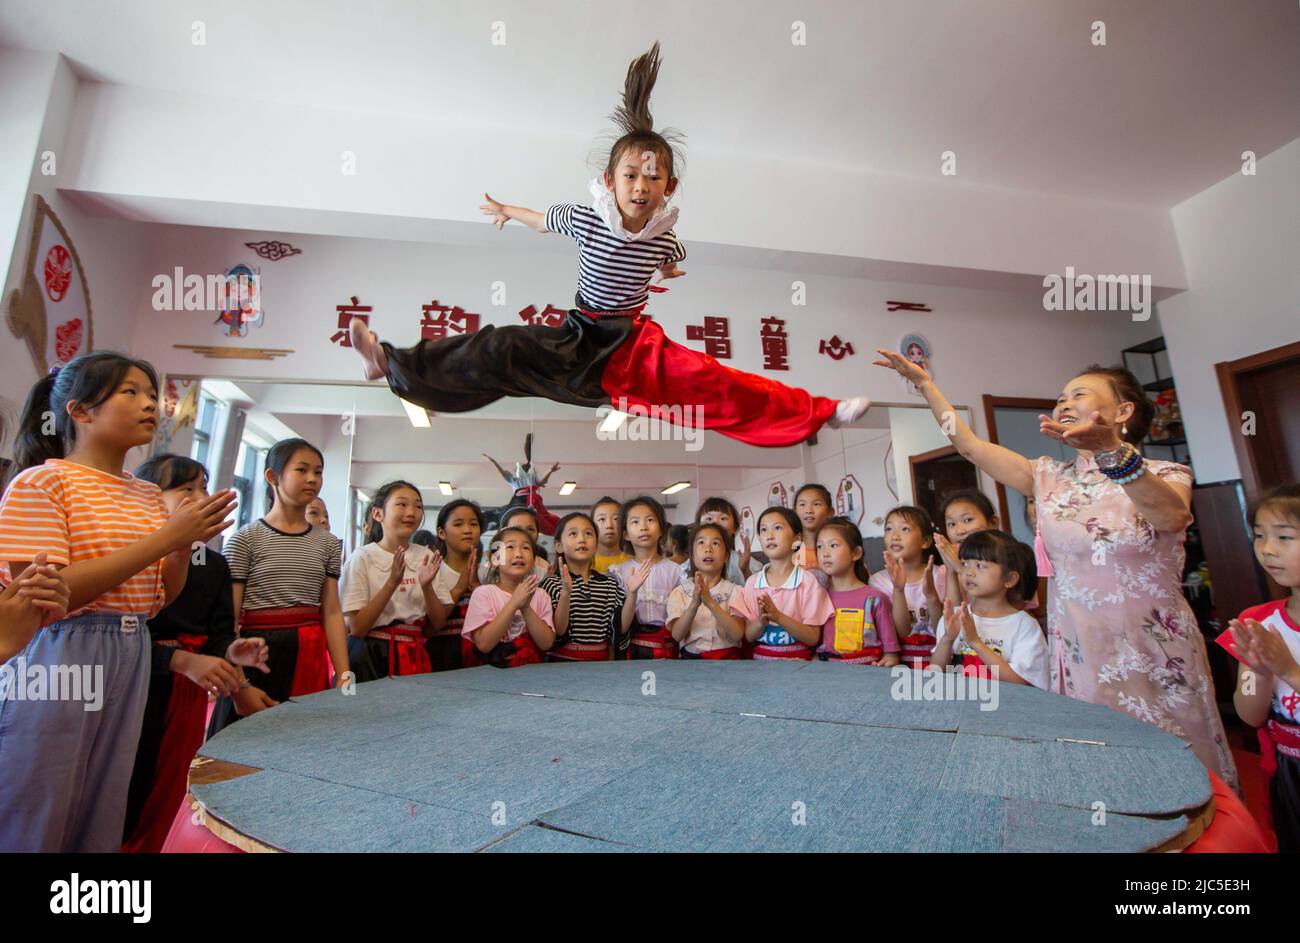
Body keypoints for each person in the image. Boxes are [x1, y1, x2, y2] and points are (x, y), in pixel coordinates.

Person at [348, 42, 869, 449]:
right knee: (499, 347)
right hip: (580, 338)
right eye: (631, 175)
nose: (641, 185)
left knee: (717, 381)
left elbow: (669, 255)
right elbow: (541, 220)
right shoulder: (587, 219)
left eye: (653, 176)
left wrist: (666, 271)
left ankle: (820, 411)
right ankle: (391, 363)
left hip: (636, 347)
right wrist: (509, 211)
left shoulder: (666, 232)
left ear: (669, 187)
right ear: (610, 180)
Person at [874, 348, 1237, 788]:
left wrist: (1112, 453)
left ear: (1123, 410)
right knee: (1101, 764)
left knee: (1179, 765)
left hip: (1153, 643)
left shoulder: (1166, 471)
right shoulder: (1047, 475)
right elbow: (967, 444)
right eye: (1060, 397)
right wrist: (925, 385)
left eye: (1078, 394)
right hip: (1081, 643)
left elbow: (1171, 517)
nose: (1063, 403)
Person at [0, 353, 235, 851]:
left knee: (102, 800)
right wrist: (165, 538)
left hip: (130, 646)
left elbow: (154, 601)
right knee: (38, 795)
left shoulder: (148, 495)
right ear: (80, 411)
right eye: (130, 392)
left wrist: (179, 545)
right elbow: (46, 596)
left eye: (152, 394)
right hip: (59, 649)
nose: (150, 403)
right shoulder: (42, 483)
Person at [122, 454, 267, 853]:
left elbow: (217, 636)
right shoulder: (131, 556)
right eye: (186, 489)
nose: (201, 497)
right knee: (129, 783)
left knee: (168, 787)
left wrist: (235, 652)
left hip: (185, 695)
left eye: (204, 486)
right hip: (134, 686)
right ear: (151, 498)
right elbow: (122, 637)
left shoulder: (214, 565)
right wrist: (178, 660)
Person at [208, 438, 350, 734]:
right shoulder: (245, 539)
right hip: (258, 654)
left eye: (319, 472)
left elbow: (332, 612)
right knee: (249, 739)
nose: (312, 479)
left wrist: (343, 671)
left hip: (309, 651)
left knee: (304, 738)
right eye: (302, 470)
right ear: (272, 477)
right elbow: (229, 620)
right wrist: (239, 684)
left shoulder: (327, 544)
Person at [1222, 484, 1300, 850]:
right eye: (1259, 536)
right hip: (1289, 772)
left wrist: (1288, 668)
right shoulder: (1260, 620)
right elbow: (1250, 714)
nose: (1267, 549)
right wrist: (1259, 672)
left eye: (1285, 537)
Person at [340, 480, 446, 680]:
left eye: (418, 506)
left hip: (414, 652)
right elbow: (357, 628)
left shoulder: (426, 556)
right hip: (371, 655)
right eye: (402, 504)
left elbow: (437, 624)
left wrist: (426, 587)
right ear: (378, 514)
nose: (411, 512)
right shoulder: (363, 557)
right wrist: (391, 583)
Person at [928, 530, 1049, 688]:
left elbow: (1022, 682)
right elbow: (934, 672)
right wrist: (947, 639)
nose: (969, 572)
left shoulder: (1024, 625)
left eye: (980, 566)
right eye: (964, 564)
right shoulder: (955, 617)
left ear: (1010, 579)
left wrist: (976, 642)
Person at [731, 507, 834, 661]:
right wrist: (760, 622)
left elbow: (813, 637)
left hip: (798, 665)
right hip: (761, 666)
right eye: (764, 530)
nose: (769, 536)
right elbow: (749, 636)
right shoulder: (752, 582)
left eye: (777, 528)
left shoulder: (807, 581)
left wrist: (779, 617)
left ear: (796, 538)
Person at [462, 527, 555, 667]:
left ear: (534, 560)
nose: (519, 554)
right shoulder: (483, 593)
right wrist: (514, 603)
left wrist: (525, 607)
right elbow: (483, 644)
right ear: (494, 559)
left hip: (533, 674)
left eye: (525, 548)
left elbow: (546, 643)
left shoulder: (541, 595)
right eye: (510, 547)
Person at [541, 512, 626, 661]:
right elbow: (559, 631)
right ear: (559, 546)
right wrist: (566, 593)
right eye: (573, 534)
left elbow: (615, 633)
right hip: (560, 664)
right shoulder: (550, 584)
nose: (582, 539)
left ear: (596, 545)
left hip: (600, 664)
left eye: (588, 534)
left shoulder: (610, 584)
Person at [868, 505, 945, 668]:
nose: (894, 536)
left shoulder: (940, 575)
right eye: (888, 529)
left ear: (925, 541)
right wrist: (898, 590)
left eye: (904, 529)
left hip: (940, 662)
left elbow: (943, 630)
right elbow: (901, 632)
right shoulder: (878, 581)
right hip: (900, 664)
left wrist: (931, 596)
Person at [815, 517, 899, 666]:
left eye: (833, 545)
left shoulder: (875, 598)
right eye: (820, 547)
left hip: (867, 671)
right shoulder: (819, 597)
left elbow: (891, 653)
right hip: (828, 672)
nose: (825, 553)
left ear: (856, 553)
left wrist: (890, 658)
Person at [609, 496, 682, 658]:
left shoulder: (676, 572)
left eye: (650, 520)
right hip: (633, 651)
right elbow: (621, 627)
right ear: (626, 534)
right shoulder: (619, 572)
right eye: (635, 522)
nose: (643, 527)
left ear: (661, 529)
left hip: (668, 649)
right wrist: (632, 593)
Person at [667, 522, 745, 658]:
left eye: (715, 543)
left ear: (726, 555)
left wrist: (710, 603)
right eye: (701, 542)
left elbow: (737, 634)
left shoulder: (735, 591)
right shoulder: (680, 592)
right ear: (691, 554)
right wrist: (694, 604)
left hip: (728, 662)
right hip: (691, 662)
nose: (708, 548)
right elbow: (677, 635)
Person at [483, 433, 560, 535]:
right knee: (544, 517)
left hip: (524, 500)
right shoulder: (517, 480)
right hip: (527, 500)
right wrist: (550, 470)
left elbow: (502, 473)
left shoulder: (516, 480)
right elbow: (541, 481)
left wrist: (493, 461)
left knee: (543, 518)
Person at [592, 497, 631, 574]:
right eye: (602, 519)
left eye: (616, 519)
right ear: (592, 526)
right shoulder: (584, 563)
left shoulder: (633, 562)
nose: (609, 525)